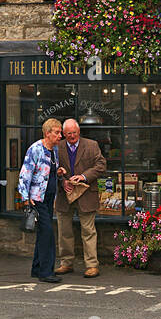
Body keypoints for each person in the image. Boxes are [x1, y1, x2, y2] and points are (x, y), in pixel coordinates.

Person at [54, 118, 107, 278]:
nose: (72, 136)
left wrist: (83, 176)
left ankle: (92, 266)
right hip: (65, 195)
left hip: (86, 194)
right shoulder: (57, 147)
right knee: (64, 231)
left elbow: (101, 165)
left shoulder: (91, 145)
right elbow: (51, 169)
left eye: (74, 133)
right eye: (68, 134)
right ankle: (66, 263)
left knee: (88, 231)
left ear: (79, 132)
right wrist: (62, 181)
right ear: (63, 134)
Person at [17, 118, 65, 283]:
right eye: (57, 132)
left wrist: (58, 172)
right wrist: (25, 198)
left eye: (60, 132)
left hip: (49, 196)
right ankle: (46, 272)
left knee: (43, 234)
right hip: (37, 198)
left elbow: (46, 171)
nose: (60, 135)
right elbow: (25, 174)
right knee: (48, 234)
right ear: (47, 133)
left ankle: (37, 269)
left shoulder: (54, 150)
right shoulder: (35, 149)